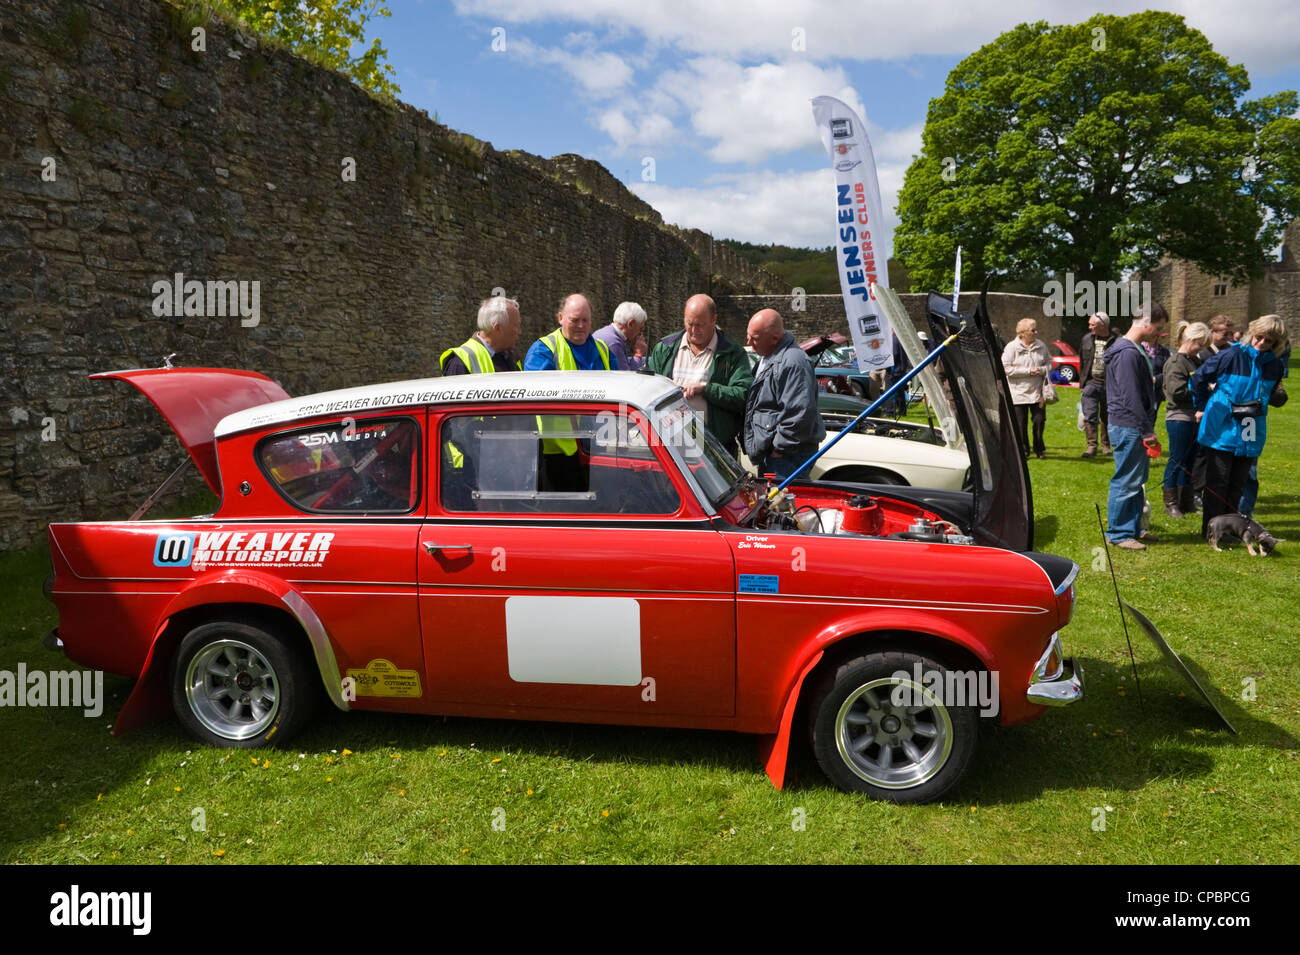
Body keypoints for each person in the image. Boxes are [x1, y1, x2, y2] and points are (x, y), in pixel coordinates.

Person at [1191, 314, 1289, 538]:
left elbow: (1273, 393)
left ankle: (1231, 530)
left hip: (1250, 425)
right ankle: (1212, 531)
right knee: (1218, 482)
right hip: (1223, 426)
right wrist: (1202, 406)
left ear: (1277, 344)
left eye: (1269, 341)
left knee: (1238, 483)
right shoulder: (1231, 355)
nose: (1262, 343)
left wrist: (1277, 396)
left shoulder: (1274, 366)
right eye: (1259, 337)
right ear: (1252, 333)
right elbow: (1198, 379)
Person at [647, 293, 753, 455]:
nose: (694, 330)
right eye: (689, 323)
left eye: (700, 325)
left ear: (714, 320)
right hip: (669, 445)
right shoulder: (664, 349)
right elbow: (647, 390)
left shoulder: (732, 353)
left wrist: (706, 389)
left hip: (714, 449)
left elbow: (743, 395)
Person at [1104, 303, 1168, 550]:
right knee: (1127, 480)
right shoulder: (1128, 352)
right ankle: (1119, 533)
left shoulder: (1133, 349)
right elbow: (1130, 396)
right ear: (1146, 322)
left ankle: (1133, 528)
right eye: (1158, 328)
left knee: (1136, 478)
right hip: (1129, 425)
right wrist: (1147, 430)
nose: (1159, 334)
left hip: (1132, 424)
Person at [743, 308, 825, 480]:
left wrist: (779, 449)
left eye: (755, 338)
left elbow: (799, 412)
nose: (748, 341)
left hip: (787, 455)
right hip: (775, 452)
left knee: (783, 503)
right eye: (748, 335)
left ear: (774, 339)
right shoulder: (768, 357)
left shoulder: (793, 362)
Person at [1160, 321, 1210, 517]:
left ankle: (1187, 502)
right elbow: (1176, 391)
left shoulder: (1194, 361)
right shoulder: (1175, 362)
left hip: (1195, 418)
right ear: (1190, 340)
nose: (1201, 349)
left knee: (1190, 462)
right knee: (1176, 460)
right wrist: (1204, 389)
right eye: (1200, 344)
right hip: (1179, 418)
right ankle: (1171, 503)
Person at [523, 293, 618, 371]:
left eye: (585, 320)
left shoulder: (604, 351)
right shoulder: (542, 351)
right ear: (560, 318)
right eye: (575, 320)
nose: (581, 326)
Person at [1001, 317, 1053, 459]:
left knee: (1039, 420)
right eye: (1033, 330)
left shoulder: (1041, 346)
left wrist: (1042, 370)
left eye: (1036, 329)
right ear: (1022, 333)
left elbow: (1049, 362)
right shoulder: (1011, 347)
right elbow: (1005, 369)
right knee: (1020, 424)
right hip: (1018, 392)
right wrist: (1027, 371)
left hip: (1038, 392)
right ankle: (1024, 450)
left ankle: (1039, 448)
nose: (1036, 332)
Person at [440, 296, 523, 375]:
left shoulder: (511, 357)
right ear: (498, 328)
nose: (520, 332)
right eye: (516, 326)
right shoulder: (459, 362)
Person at [1079, 312, 1119, 456]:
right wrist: (1082, 383)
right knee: (1089, 414)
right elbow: (1082, 361)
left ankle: (1106, 446)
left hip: (1111, 385)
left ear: (1103, 325)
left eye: (1092, 325)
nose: (1090, 327)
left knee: (1107, 416)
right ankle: (1092, 446)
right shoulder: (1086, 339)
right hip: (1091, 382)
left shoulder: (1117, 341)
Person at [592, 302, 648, 372]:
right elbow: (627, 377)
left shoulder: (602, 332)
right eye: (640, 328)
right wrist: (638, 354)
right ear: (631, 324)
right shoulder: (614, 343)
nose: (640, 333)